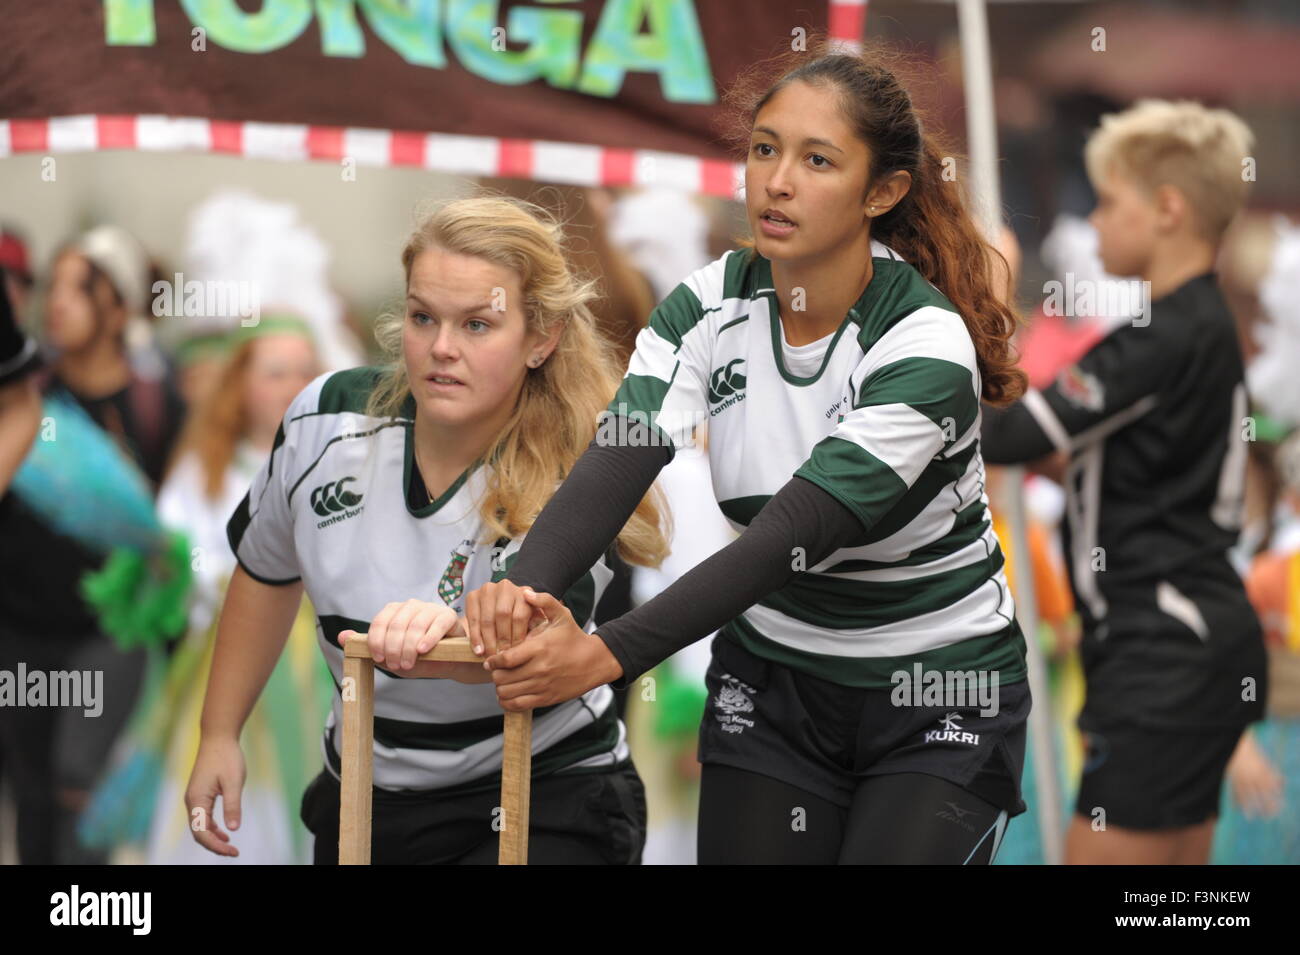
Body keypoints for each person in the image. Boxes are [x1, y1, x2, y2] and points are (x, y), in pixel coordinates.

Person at [465, 43, 1033, 865]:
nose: (778, 180)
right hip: (772, 686)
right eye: (765, 149)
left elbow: (787, 540)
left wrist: (606, 653)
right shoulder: (704, 302)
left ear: (884, 192)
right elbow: (620, 457)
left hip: (937, 696)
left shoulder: (926, 346)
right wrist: (519, 587)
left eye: (817, 160)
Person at [184, 195, 668, 865]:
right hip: (370, 786)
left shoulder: (580, 462)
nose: (441, 348)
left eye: (477, 324)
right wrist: (218, 731)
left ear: (540, 338)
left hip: (546, 785)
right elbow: (266, 570)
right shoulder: (323, 419)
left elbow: (525, 655)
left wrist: (444, 634)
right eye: (423, 317)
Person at [980, 99, 1269, 864]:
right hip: (1198, 642)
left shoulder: (1159, 335)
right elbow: (1109, 467)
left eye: (1109, 202)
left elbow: (1002, 433)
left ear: (1168, 210)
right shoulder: (1205, 326)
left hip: (1160, 655)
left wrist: (978, 303)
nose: (1096, 221)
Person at [0, 226, 187, 864]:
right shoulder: (25, 395)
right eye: (56, 285)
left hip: (111, 633)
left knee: (80, 778)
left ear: (118, 307)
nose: (59, 302)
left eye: (83, 288)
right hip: (20, 626)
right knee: (30, 789)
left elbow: (174, 526)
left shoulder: (158, 402)